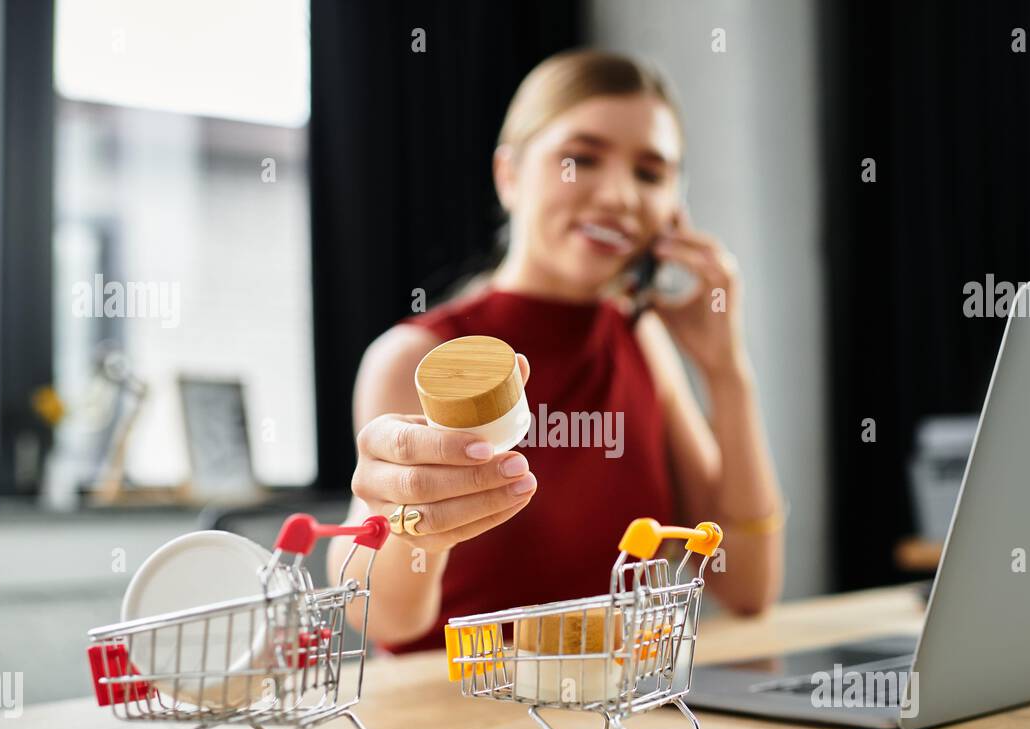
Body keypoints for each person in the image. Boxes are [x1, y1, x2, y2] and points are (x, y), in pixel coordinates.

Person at [327, 49, 786, 652]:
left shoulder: (639, 340)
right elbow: (387, 624)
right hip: (465, 721)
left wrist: (728, 372)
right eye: (581, 160)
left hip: (610, 714)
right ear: (509, 175)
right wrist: (405, 525)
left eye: (649, 173)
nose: (619, 196)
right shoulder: (420, 357)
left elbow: (747, 586)